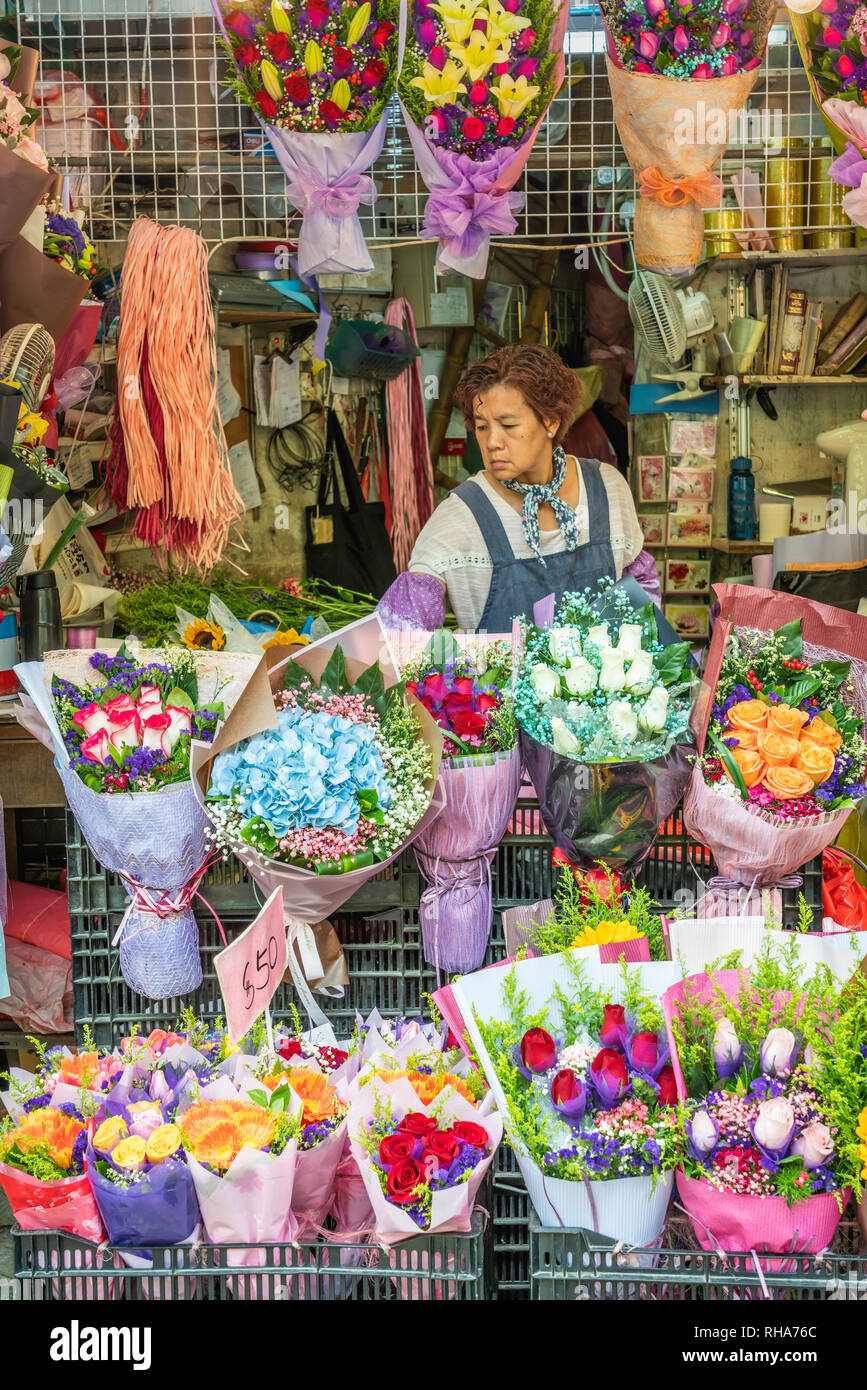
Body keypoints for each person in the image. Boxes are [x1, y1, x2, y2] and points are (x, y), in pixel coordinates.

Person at [380, 344, 661, 633]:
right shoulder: (462, 516)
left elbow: (643, 593)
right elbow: (399, 631)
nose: (492, 442)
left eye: (508, 425)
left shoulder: (606, 487)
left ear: (550, 421)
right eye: (482, 427)